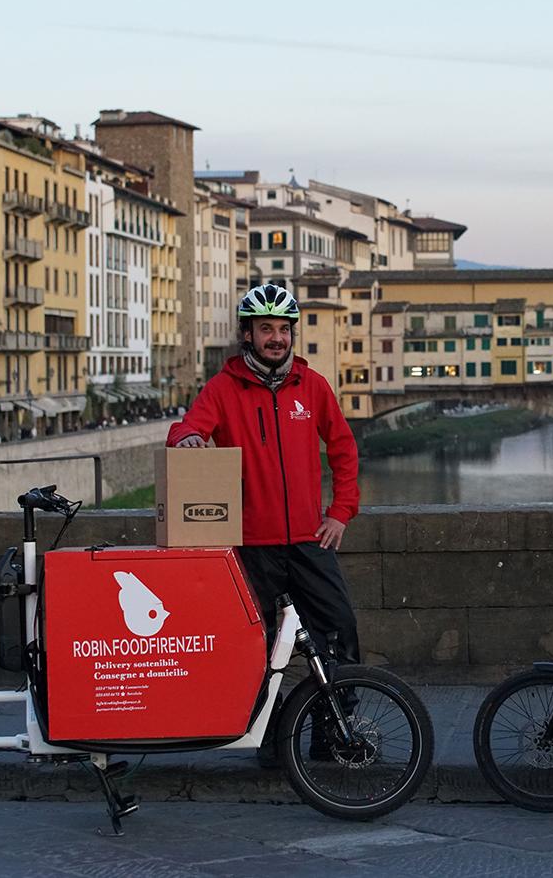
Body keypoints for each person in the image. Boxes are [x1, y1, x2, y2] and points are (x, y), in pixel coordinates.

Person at [165, 283, 362, 761]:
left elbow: (343, 449)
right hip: (251, 545)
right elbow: (186, 427)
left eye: (282, 329)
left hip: (307, 540)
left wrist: (339, 512)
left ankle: (329, 734)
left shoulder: (312, 386)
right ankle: (271, 743)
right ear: (247, 334)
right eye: (265, 329)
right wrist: (189, 439)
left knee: (339, 631)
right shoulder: (223, 387)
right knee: (255, 649)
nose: (276, 338)